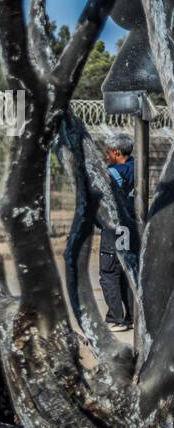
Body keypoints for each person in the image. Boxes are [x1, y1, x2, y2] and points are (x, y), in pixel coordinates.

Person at [98, 133, 139, 331]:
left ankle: (116, 318)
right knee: (126, 271)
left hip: (113, 228)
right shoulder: (136, 168)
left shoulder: (111, 173)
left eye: (108, 152)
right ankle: (131, 316)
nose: (106, 156)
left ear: (116, 153)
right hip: (130, 227)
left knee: (109, 272)